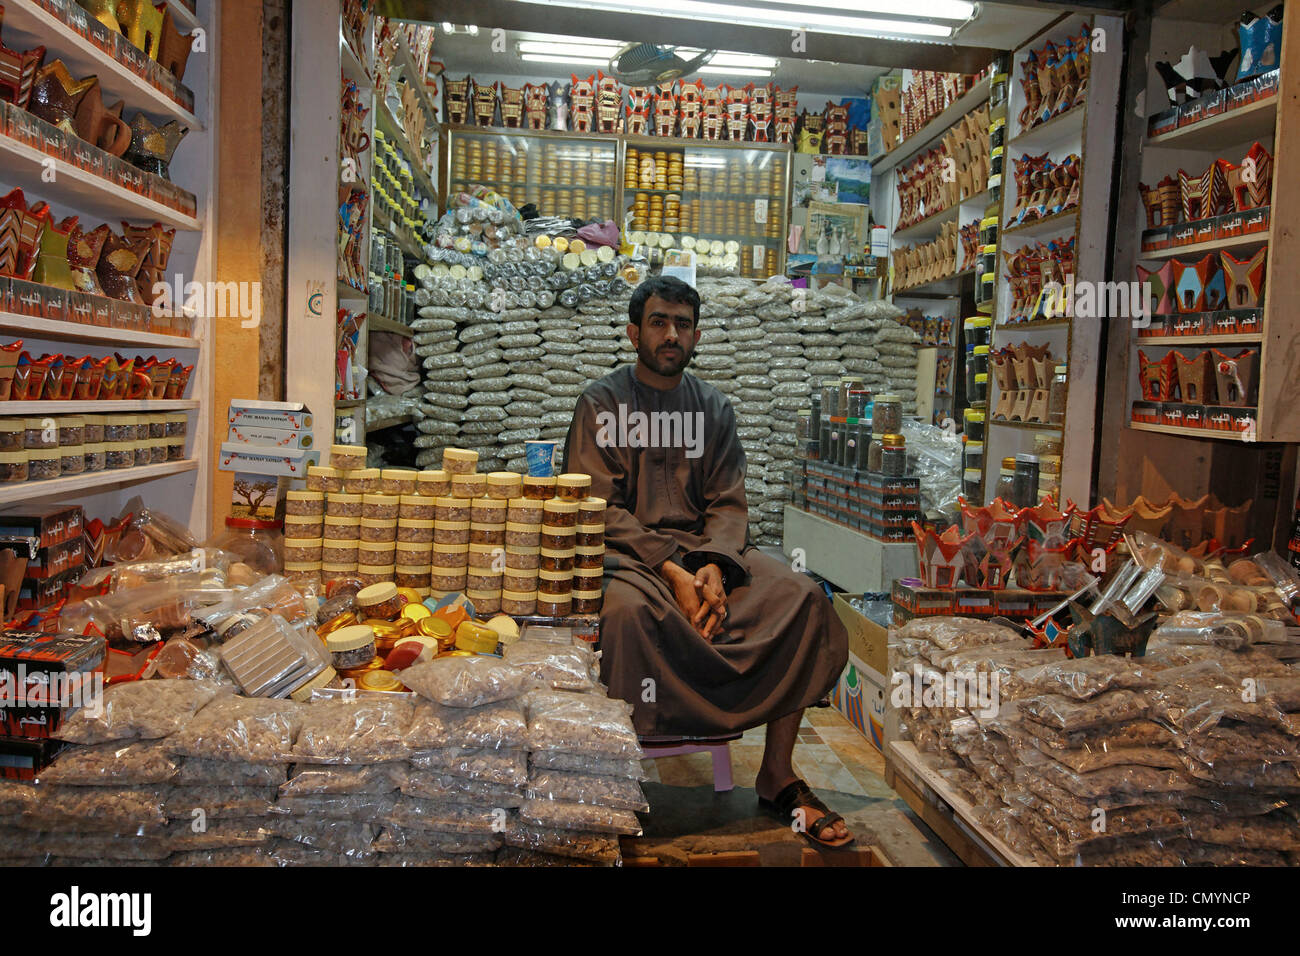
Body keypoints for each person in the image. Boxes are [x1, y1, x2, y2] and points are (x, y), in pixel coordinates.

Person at [562, 275, 853, 847]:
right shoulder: (600, 403)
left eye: (683, 324)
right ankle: (613, 782)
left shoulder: (714, 408)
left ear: (696, 336)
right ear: (632, 333)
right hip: (628, 559)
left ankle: (776, 775)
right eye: (658, 322)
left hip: (708, 555)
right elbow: (597, 507)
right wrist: (672, 569)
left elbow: (727, 502)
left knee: (803, 600)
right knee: (624, 619)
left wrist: (713, 568)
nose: (671, 334)